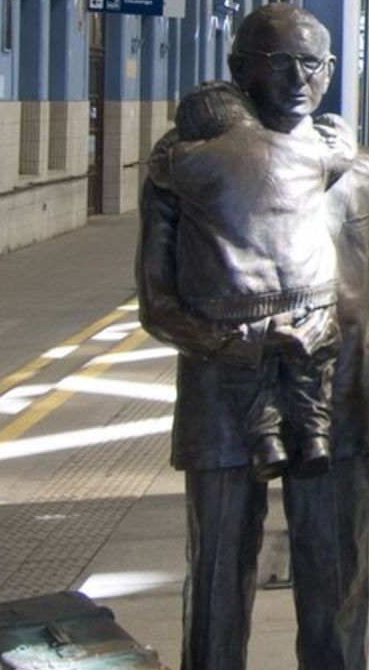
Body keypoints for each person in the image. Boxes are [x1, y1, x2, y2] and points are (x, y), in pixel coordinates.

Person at [136, 3, 369, 670]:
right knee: (217, 576)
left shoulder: (362, 168)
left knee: (337, 575)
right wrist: (234, 348)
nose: (300, 82)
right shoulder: (184, 162)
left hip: (340, 391)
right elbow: (156, 302)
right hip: (225, 394)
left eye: (315, 67)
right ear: (241, 64)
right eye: (282, 64)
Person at [147, 80, 356, 480]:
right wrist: (336, 125)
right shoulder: (304, 149)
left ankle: (265, 440)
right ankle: (315, 433)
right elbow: (342, 152)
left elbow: (160, 164)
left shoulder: (193, 158)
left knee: (249, 378)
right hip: (309, 292)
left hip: (238, 301)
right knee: (312, 363)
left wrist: (176, 139)